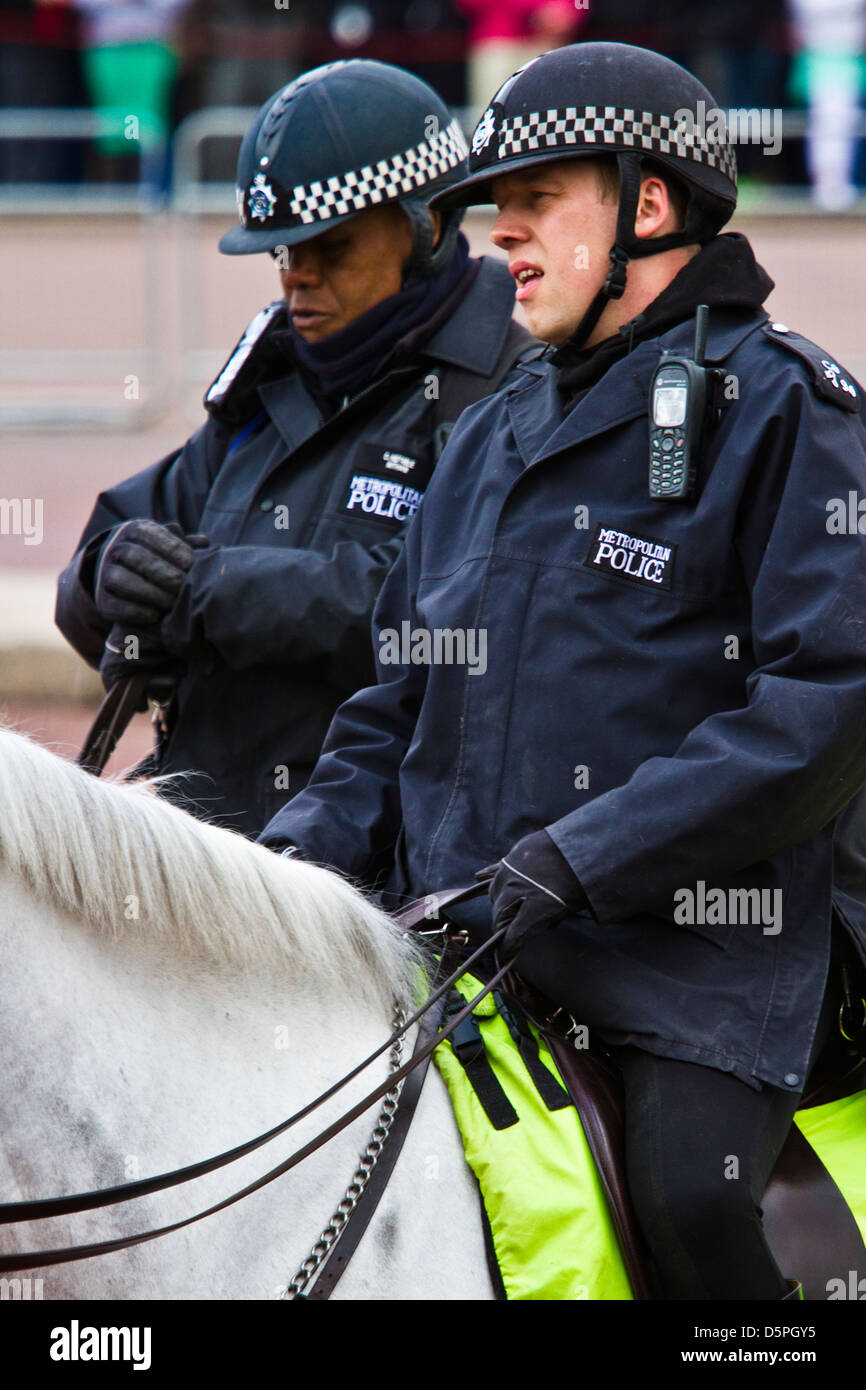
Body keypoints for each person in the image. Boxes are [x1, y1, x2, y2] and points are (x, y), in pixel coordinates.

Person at [258, 42, 866, 1299]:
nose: (502, 230)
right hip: (466, 939)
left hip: (700, 957)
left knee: (687, 1196)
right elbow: (392, 704)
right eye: (495, 203)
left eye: (539, 196)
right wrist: (282, 873)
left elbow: (819, 713)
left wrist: (576, 858)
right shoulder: (491, 434)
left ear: (647, 206)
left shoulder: (788, 412)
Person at [55, 58, 534, 836]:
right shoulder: (273, 382)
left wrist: (209, 593)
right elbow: (109, 565)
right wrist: (107, 573)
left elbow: (452, 621)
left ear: (429, 226)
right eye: (283, 252)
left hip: (373, 885)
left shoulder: (512, 391)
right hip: (206, 857)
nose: (296, 279)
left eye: (331, 247)